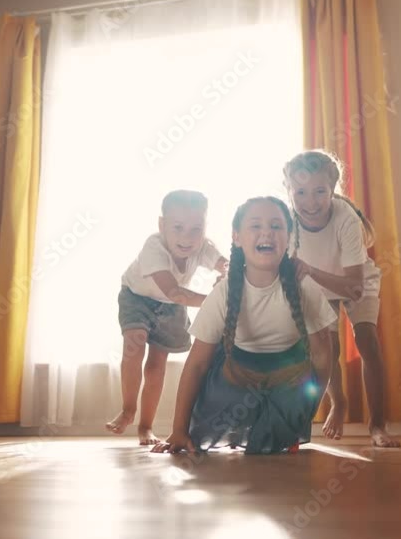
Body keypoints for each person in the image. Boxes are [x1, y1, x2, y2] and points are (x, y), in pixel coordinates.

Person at [151, 196, 336, 455]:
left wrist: (307, 409)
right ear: (237, 237)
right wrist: (179, 429)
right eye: (255, 226)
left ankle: (281, 423)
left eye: (276, 226)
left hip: (289, 372)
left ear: (289, 238)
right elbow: (197, 364)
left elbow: (323, 354)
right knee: (225, 396)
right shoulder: (224, 292)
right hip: (236, 371)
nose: (266, 233)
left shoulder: (304, 288)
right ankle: (242, 426)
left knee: (287, 409)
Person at [283, 149, 401, 447]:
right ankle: (339, 403)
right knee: (327, 346)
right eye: (301, 192)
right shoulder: (285, 221)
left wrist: (309, 270)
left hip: (355, 282)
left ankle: (377, 426)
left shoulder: (346, 219)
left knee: (367, 341)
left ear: (333, 189)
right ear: (288, 190)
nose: (310, 202)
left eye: (320, 192)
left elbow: (354, 287)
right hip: (319, 286)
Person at [107, 190, 228, 445]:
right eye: (178, 228)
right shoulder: (154, 247)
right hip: (138, 297)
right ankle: (128, 408)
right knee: (135, 341)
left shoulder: (203, 246)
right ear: (162, 225)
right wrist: (214, 301)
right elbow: (174, 291)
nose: (187, 237)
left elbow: (225, 263)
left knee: (156, 365)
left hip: (172, 306)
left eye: (196, 229)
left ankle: (146, 427)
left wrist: (228, 276)